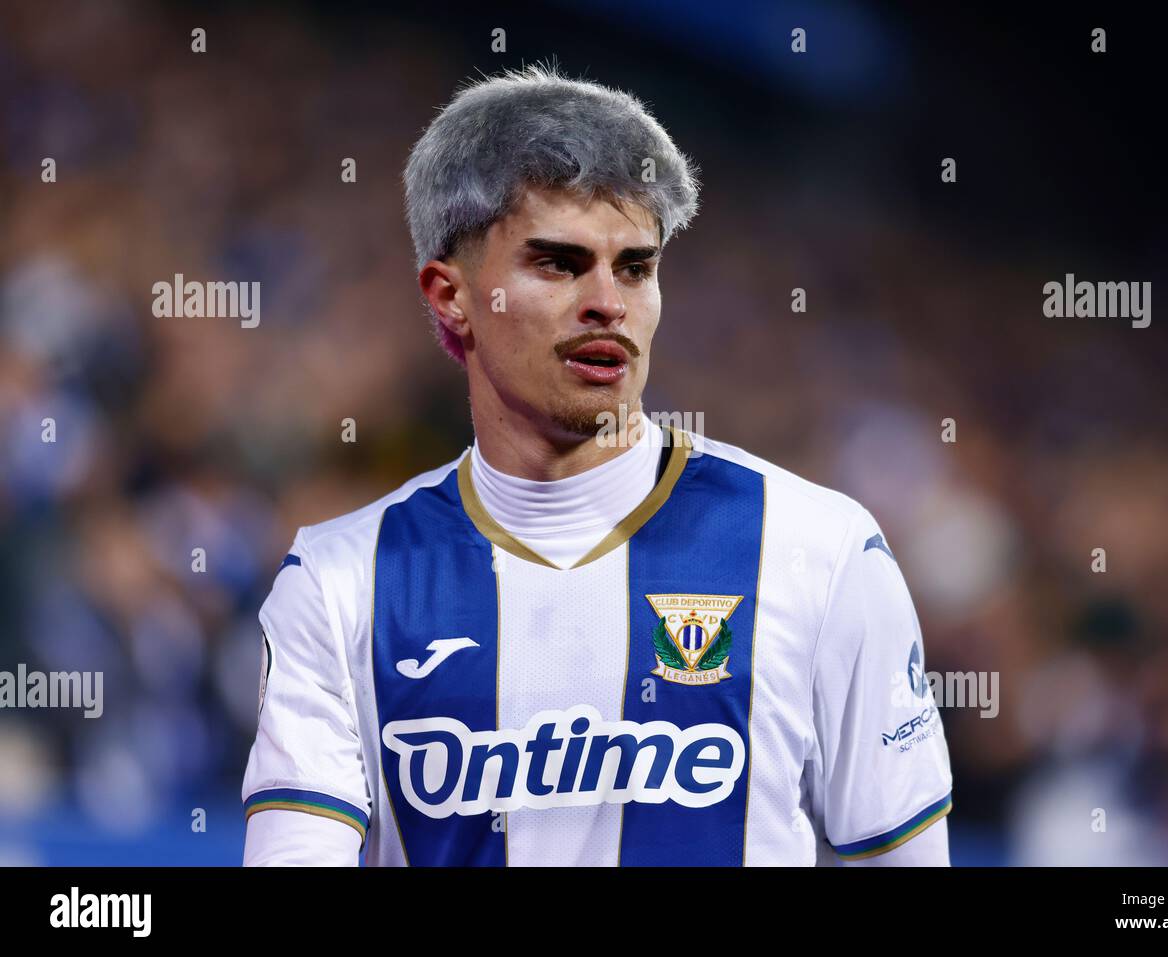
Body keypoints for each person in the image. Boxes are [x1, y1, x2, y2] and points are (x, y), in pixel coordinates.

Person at [241, 64, 952, 866]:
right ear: (450, 296)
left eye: (636, 267)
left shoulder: (819, 550)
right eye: (559, 263)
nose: (608, 302)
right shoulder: (339, 581)